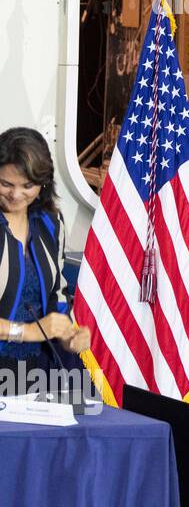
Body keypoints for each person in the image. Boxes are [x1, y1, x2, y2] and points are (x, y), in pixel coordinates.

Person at [0, 127, 90, 385]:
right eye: (5, 184)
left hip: (34, 372)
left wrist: (69, 335)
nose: (16, 195)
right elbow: (35, 330)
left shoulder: (51, 224)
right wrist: (26, 331)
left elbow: (56, 295)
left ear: (42, 184)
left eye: (27, 186)